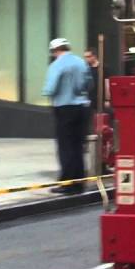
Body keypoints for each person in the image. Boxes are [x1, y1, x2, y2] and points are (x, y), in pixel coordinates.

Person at [42, 38, 92, 193]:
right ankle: (79, 182)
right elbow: (88, 84)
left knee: (65, 146)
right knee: (78, 145)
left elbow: (50, 89)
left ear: (54, 51)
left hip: (64, 108)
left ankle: (67, 183)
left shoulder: (57, 65)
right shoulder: (81, 62)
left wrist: (47, 93)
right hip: (82, 108)